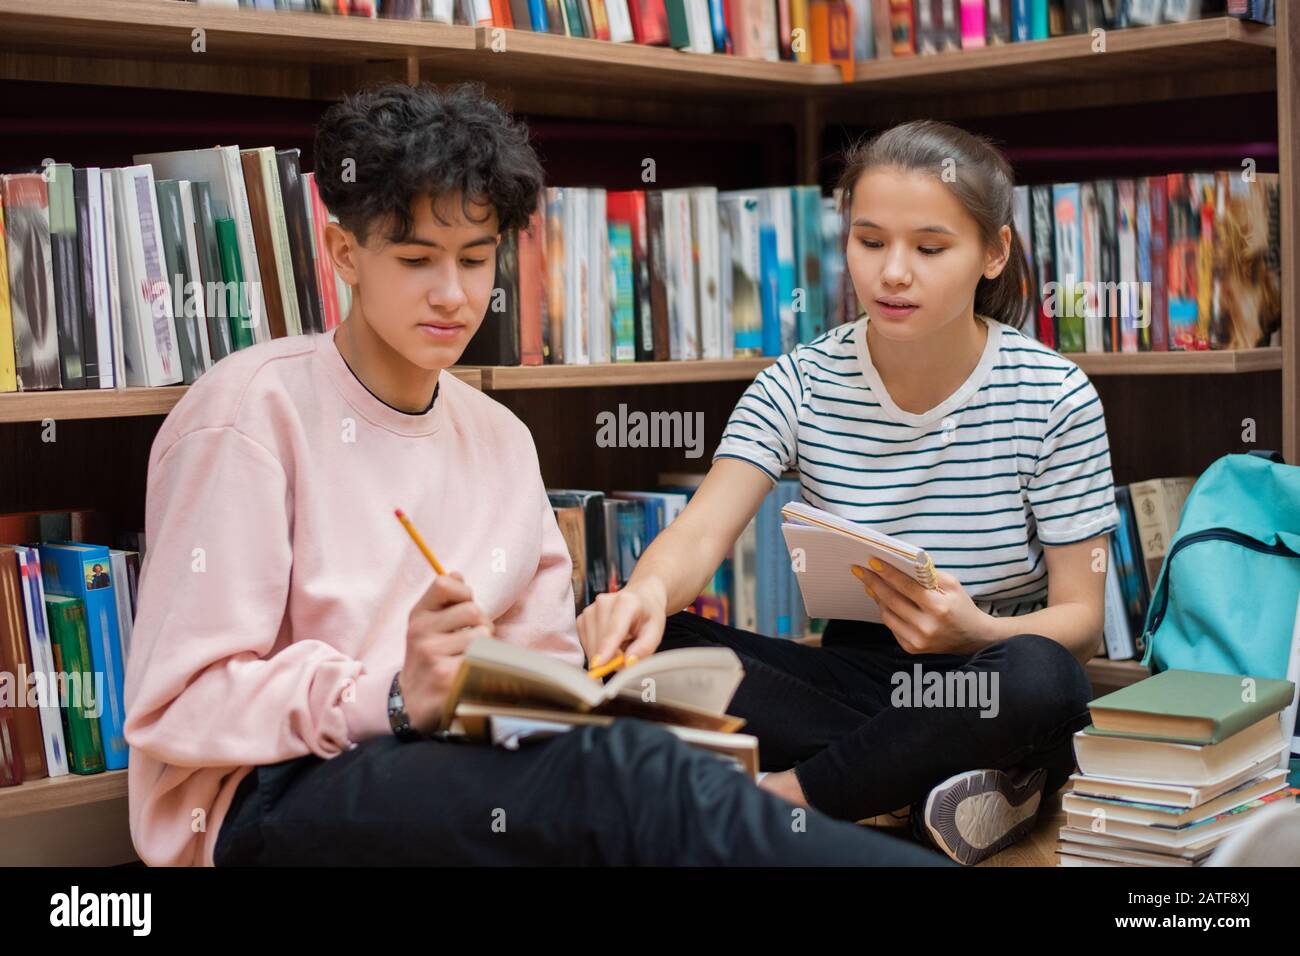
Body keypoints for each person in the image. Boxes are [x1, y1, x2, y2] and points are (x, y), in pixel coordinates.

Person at [121, 81, 947, 867]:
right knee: (631, 788)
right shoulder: (250, 413)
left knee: (657, 771)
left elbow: (539, 665)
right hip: (270, 794)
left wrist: (562, 702)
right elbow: (177, 703)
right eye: (417, 259)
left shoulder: (501, 439)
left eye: (475, 260)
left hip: (453, 766)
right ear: (345, 249)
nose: (452, 295)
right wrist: (395, 696)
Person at [578, 119, 1118, 865]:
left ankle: (788, 801)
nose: (893, 272)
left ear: (993, 253)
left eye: (930, 248)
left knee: (1041, 677)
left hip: (985, 676)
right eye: (870, 242)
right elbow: (701, 534)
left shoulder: (1053, 394)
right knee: (633, 647)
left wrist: (974, 634)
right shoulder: (797, 382)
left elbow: (1083, 622)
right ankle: (935, 787)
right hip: (852, 681)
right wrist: (640, 598)